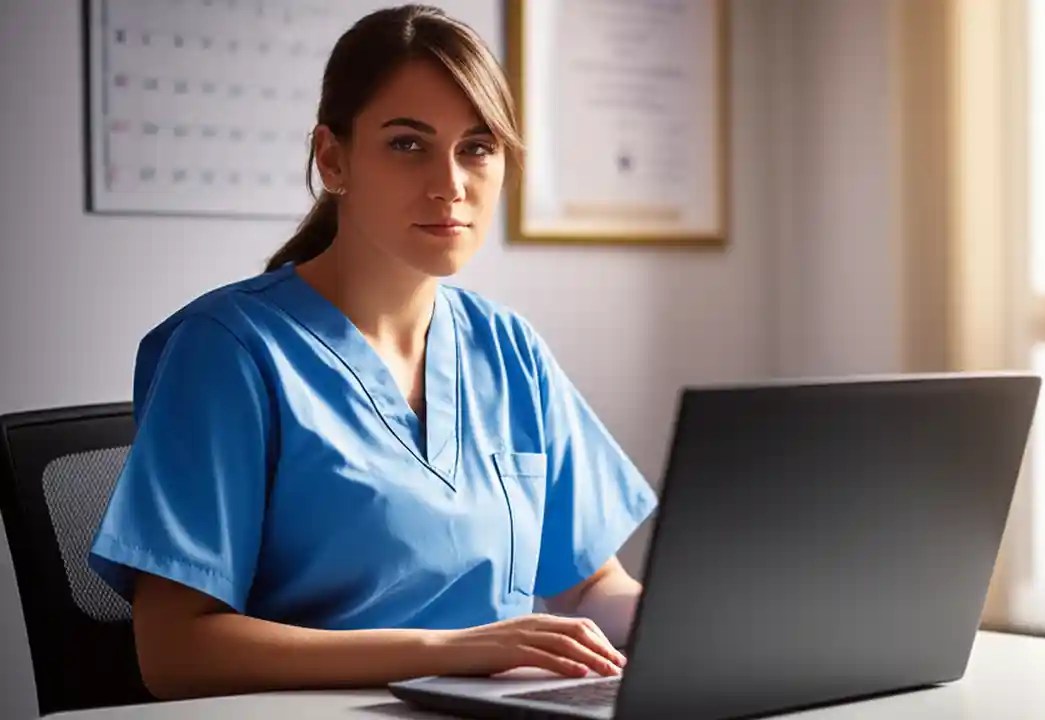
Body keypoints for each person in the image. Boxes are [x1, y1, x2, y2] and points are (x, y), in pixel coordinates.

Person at [87, 5, 656, 701]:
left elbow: (590, 586)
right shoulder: (229, 352)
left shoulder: (510, 349)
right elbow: (175, 651)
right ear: (333, 158)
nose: (451, 183)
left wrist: (702, 617)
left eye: (477, 147)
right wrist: (447, 651)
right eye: (408, 145)